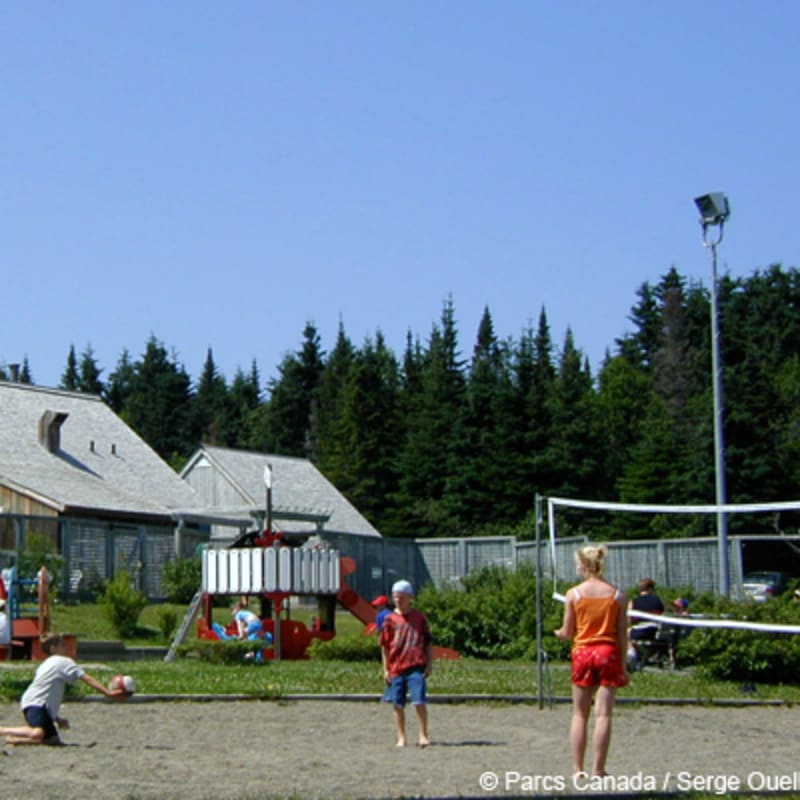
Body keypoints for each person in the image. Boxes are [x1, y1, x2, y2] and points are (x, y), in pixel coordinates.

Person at [555, 544, 628, 778]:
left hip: (583, 652)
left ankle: (578, 768)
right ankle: (599, 769)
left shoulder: (574, 594)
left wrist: (557, 633)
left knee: (579, 713)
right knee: (604, 714)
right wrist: (624, 664)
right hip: (608, 652)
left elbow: (567, 632)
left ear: (585, 565)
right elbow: (621, 635)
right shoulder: (617, 595)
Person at [0, 632, 126, 746]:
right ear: (53, 648)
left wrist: (57, 718)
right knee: (38, 733)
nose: (66, 648)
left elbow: (47, 693)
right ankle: (3, 730)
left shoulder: (46, 664)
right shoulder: (64, 661)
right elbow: (86, 678)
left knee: (52, 740)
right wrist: (107, 692)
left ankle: (15, 739)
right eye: (62, 645)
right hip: (36, 703)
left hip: (32, 701)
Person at [380, 579, 432, 748]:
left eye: (402, 597)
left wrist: (429, 663)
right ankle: (401, 737)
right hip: (396, 666)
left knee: (419, 701)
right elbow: (385, 646)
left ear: (410, 597)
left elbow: (427, 642)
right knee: (397, 704)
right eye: (395, 597)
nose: (398, 600)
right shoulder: (389, 620)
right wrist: (386, 669)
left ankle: (423, 734)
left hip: (416, 664)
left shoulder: (419, 618)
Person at [628, 578, 665, 643]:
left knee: (624, 634)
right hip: (654, 632)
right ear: (650, 588)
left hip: (638, 632)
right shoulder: (658, 600)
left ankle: (632, 652)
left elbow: (630, 620)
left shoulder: (633, 602)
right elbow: (663, 616)